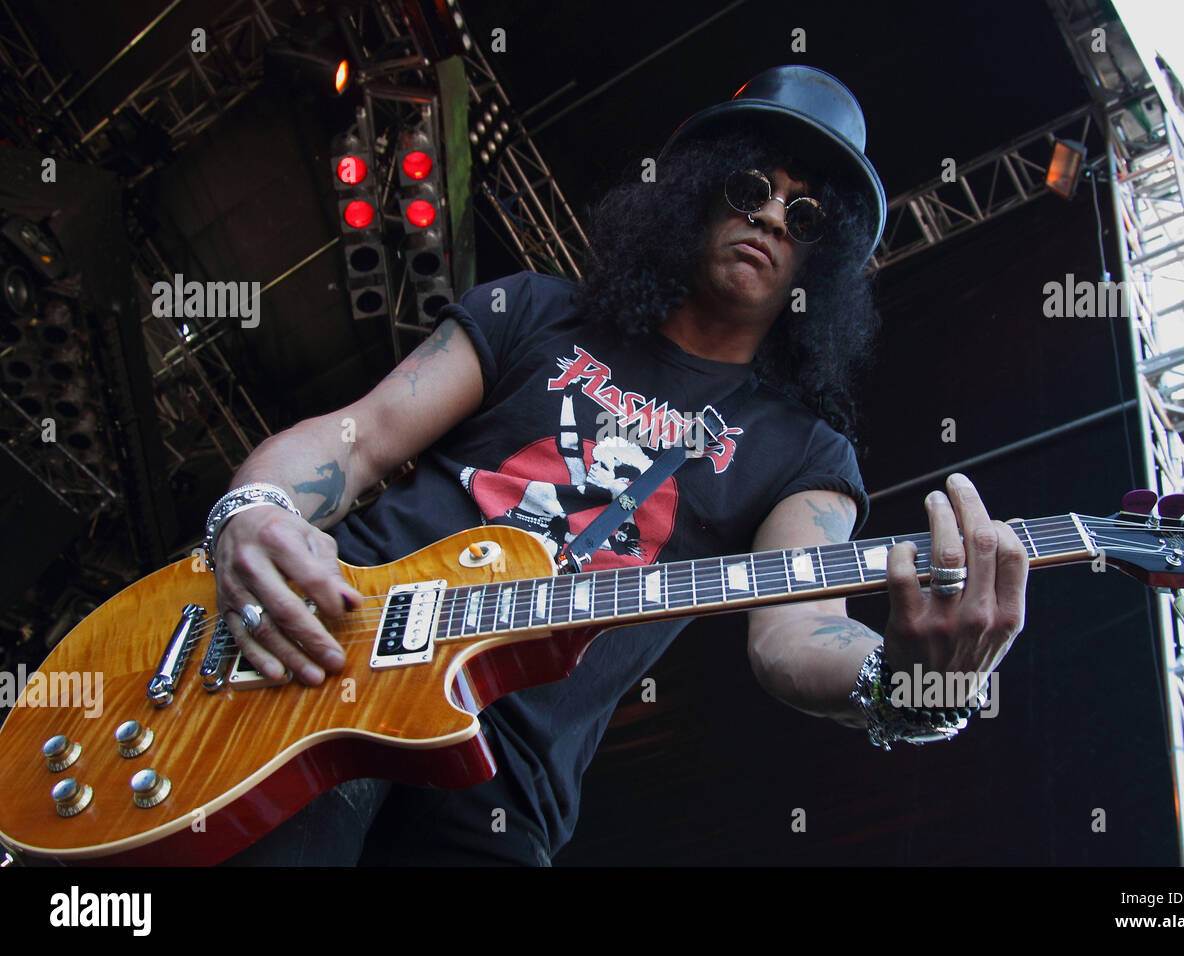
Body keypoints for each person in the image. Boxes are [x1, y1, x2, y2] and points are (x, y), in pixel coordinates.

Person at [212, 65, 1029, 865]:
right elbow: (357, 438)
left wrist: (910, 687)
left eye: (807, 216)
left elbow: (793, 632)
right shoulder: (534, 309)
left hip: (503, 783)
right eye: (752, 190)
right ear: (700, 191)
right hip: (329, 652)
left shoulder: (807, 452)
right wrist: (253, 510)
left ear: (824, 256)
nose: (775, 219)